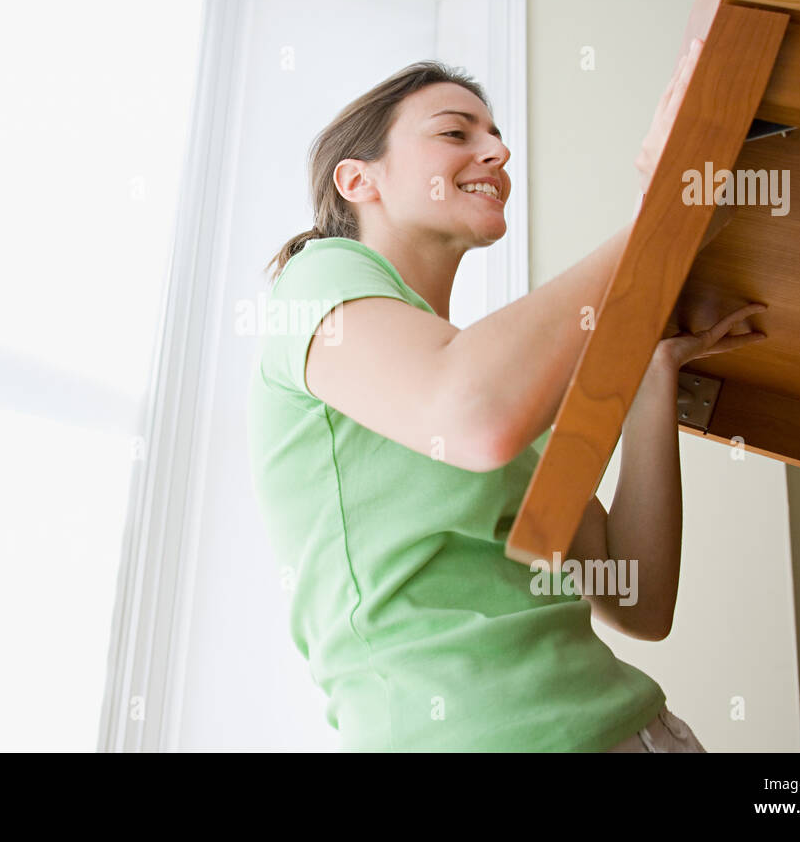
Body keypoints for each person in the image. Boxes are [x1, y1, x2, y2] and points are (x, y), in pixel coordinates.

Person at [245, 39, 765, 751]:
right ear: (358, 179)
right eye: (455, 133)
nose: (497, 151)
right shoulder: (316, 281)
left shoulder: (496, 388)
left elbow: (638, 598)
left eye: (494, 136)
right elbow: (472, 414)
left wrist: (652, 373)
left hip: (639, 729)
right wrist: (667, 220)